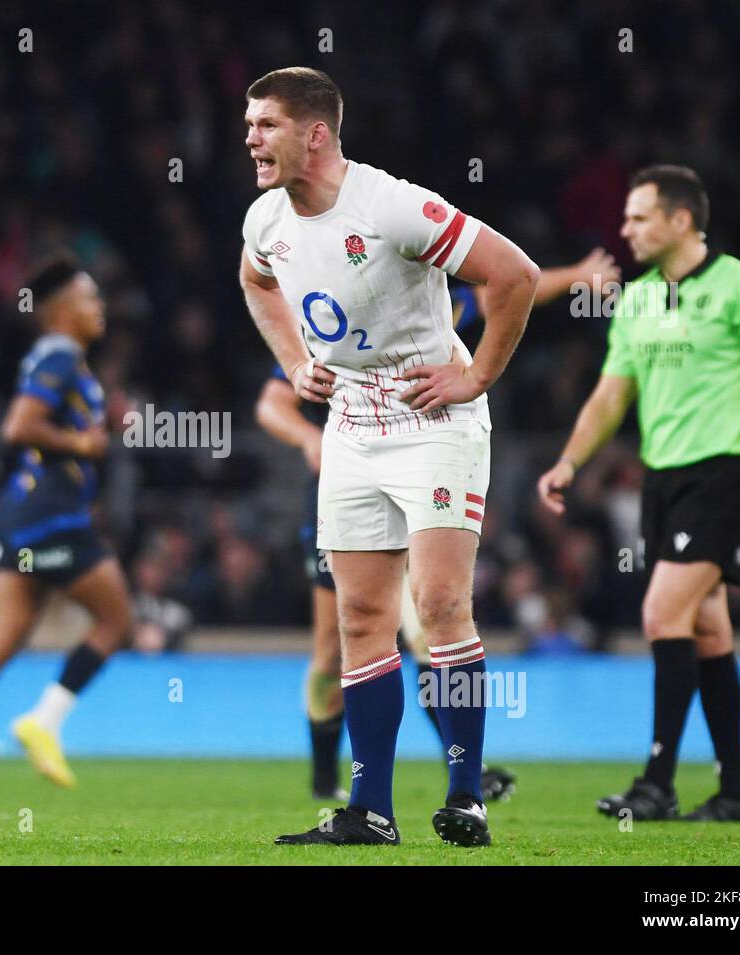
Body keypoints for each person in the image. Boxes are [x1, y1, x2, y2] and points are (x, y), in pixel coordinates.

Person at [240, 67, 538, 847]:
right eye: (248, 125)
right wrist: (297, 358)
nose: (250, 139)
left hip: (431, 416)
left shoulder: (392, 205)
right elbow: (255, 280)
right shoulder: (265, 220)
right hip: (350, 422)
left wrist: (474, 375)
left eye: (265, 125)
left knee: (439, 606)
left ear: (316, 133)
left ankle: (466, 795)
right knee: (362, 618)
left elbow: (515, 275)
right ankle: (370, 810)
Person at [255, 251, 616, 803]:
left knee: (429, 626)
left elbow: (511, 288)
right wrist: (309, 441)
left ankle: (463, 773)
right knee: (334, 647)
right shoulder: (338, 324)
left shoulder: (432, 316)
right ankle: (326, 772)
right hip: (342, 488)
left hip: (417, 483)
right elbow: (271, 402)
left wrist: (576, 278)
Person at [537, 165, 740, 823]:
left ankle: (656, 782)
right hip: (663, 480)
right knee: (708, 628)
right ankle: (737, 793)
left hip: (723, 474)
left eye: (638, 216)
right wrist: (571, 460)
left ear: (681, 220)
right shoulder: (636, 300)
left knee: (661, 613)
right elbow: (610, 395)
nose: (624, 228)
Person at [0, 254, 133, 789]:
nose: (99, 307)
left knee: (5, 634)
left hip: (24, 517)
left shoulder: (56, 360)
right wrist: (80, 442)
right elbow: (18, 427)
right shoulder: (60, 358)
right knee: (116, 622)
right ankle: (43, 722)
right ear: (61, 311)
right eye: (89, 298)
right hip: (50, 521)